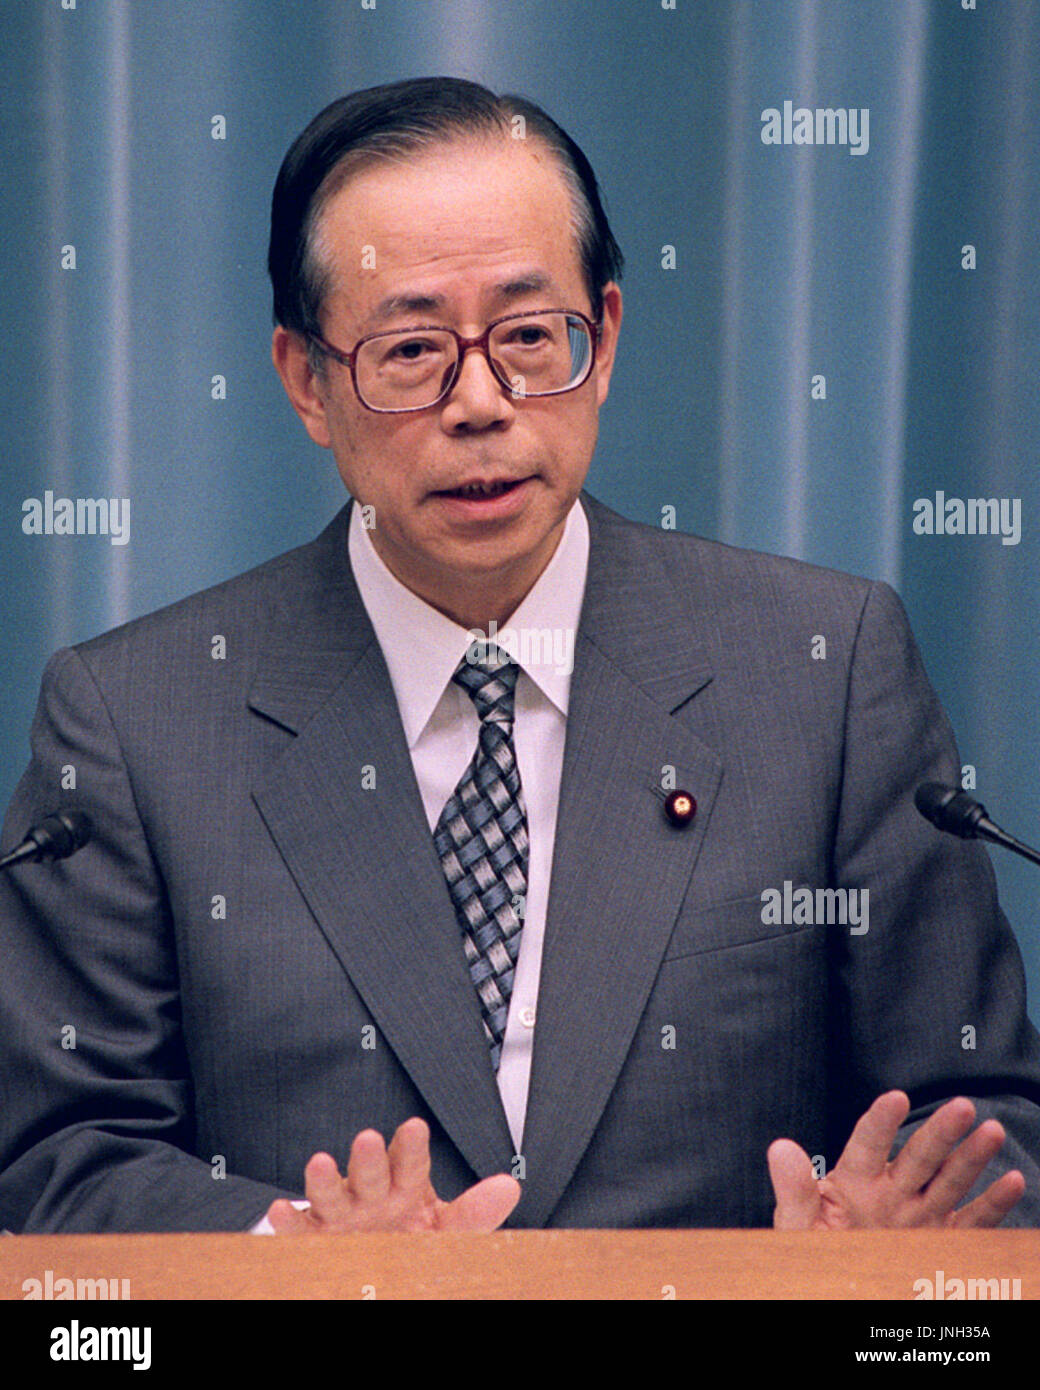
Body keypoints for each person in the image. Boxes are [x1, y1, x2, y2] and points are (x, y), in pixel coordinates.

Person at [1, 77, 1038, 1237]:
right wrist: (285, 1249)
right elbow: (60, 1158)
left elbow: (984, 1113)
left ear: (604, 337)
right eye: (410, 350)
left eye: (531, 337)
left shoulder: (822, 672)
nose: (482, 403)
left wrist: (880, 1243)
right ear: (305, 381)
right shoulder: (136, 720)